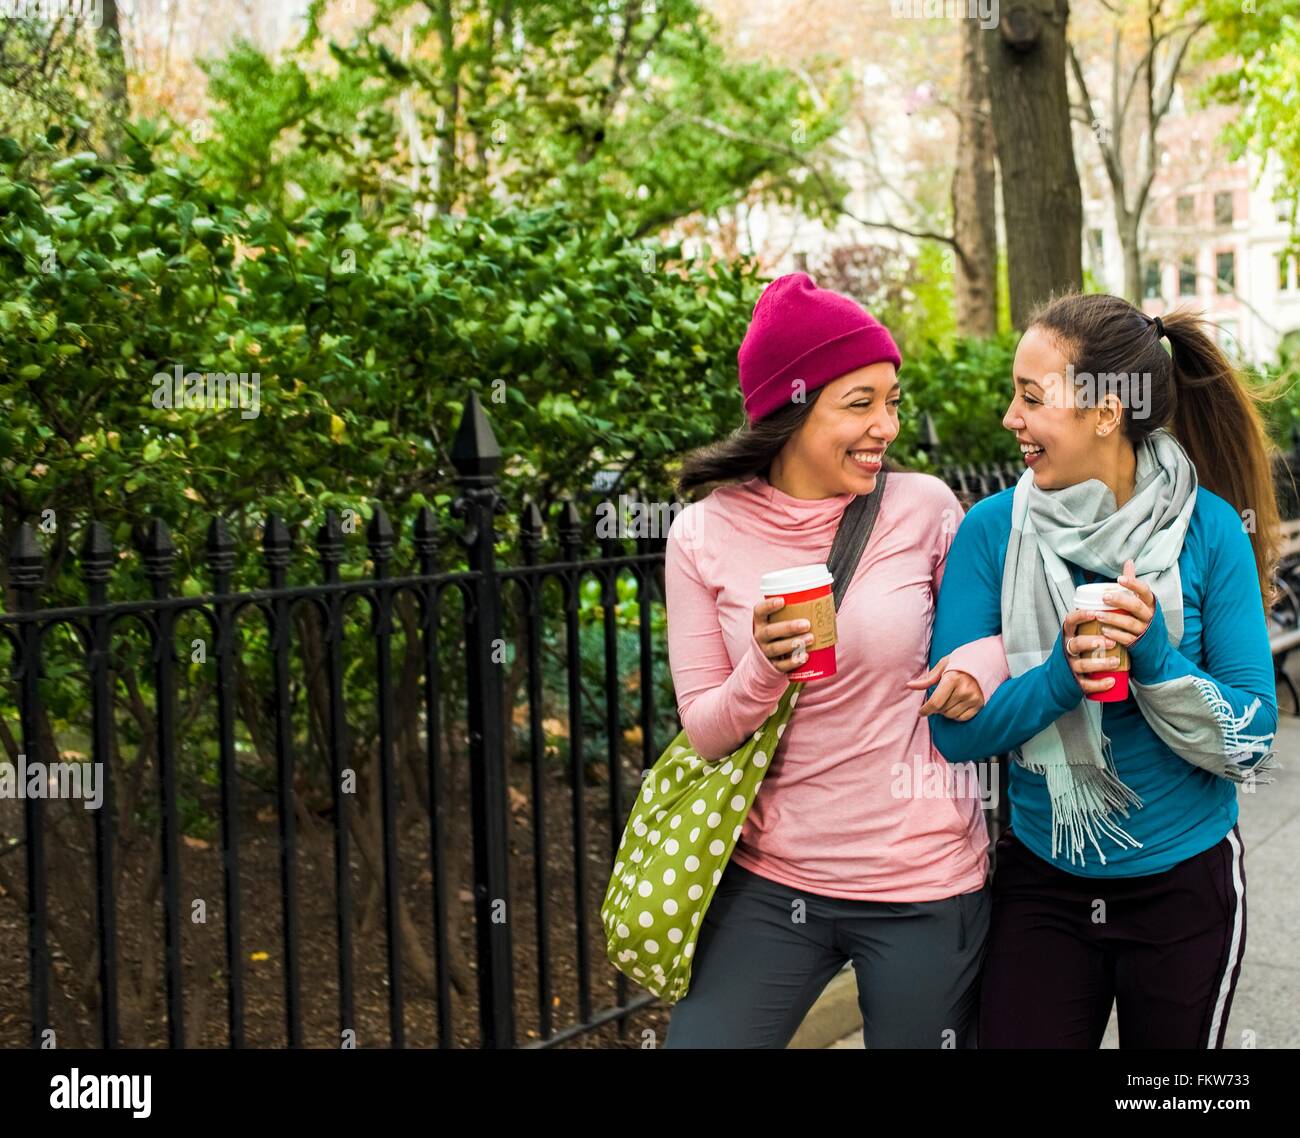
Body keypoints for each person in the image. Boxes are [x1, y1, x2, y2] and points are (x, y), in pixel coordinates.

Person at [661, 273, 1008, 1048]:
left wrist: (977, 671)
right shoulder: (699, 536)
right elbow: (707, 731)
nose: (886, 425)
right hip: (771, 879)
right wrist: (763, 666)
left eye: (892, 399)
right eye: (859, 403)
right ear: (789, 410)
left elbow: (993, 633)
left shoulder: (923, 507)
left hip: (922, 879)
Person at [928, 292, 1281, 1048]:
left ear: (1106, 413)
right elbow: (953, 740)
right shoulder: (992, 533)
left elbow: (1252, 739)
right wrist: (1060, 675)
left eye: (1030, 397)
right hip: (1045, 884)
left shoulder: (1210, 528)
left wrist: (1152, 654)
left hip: (1185, 888)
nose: (1009, 419)